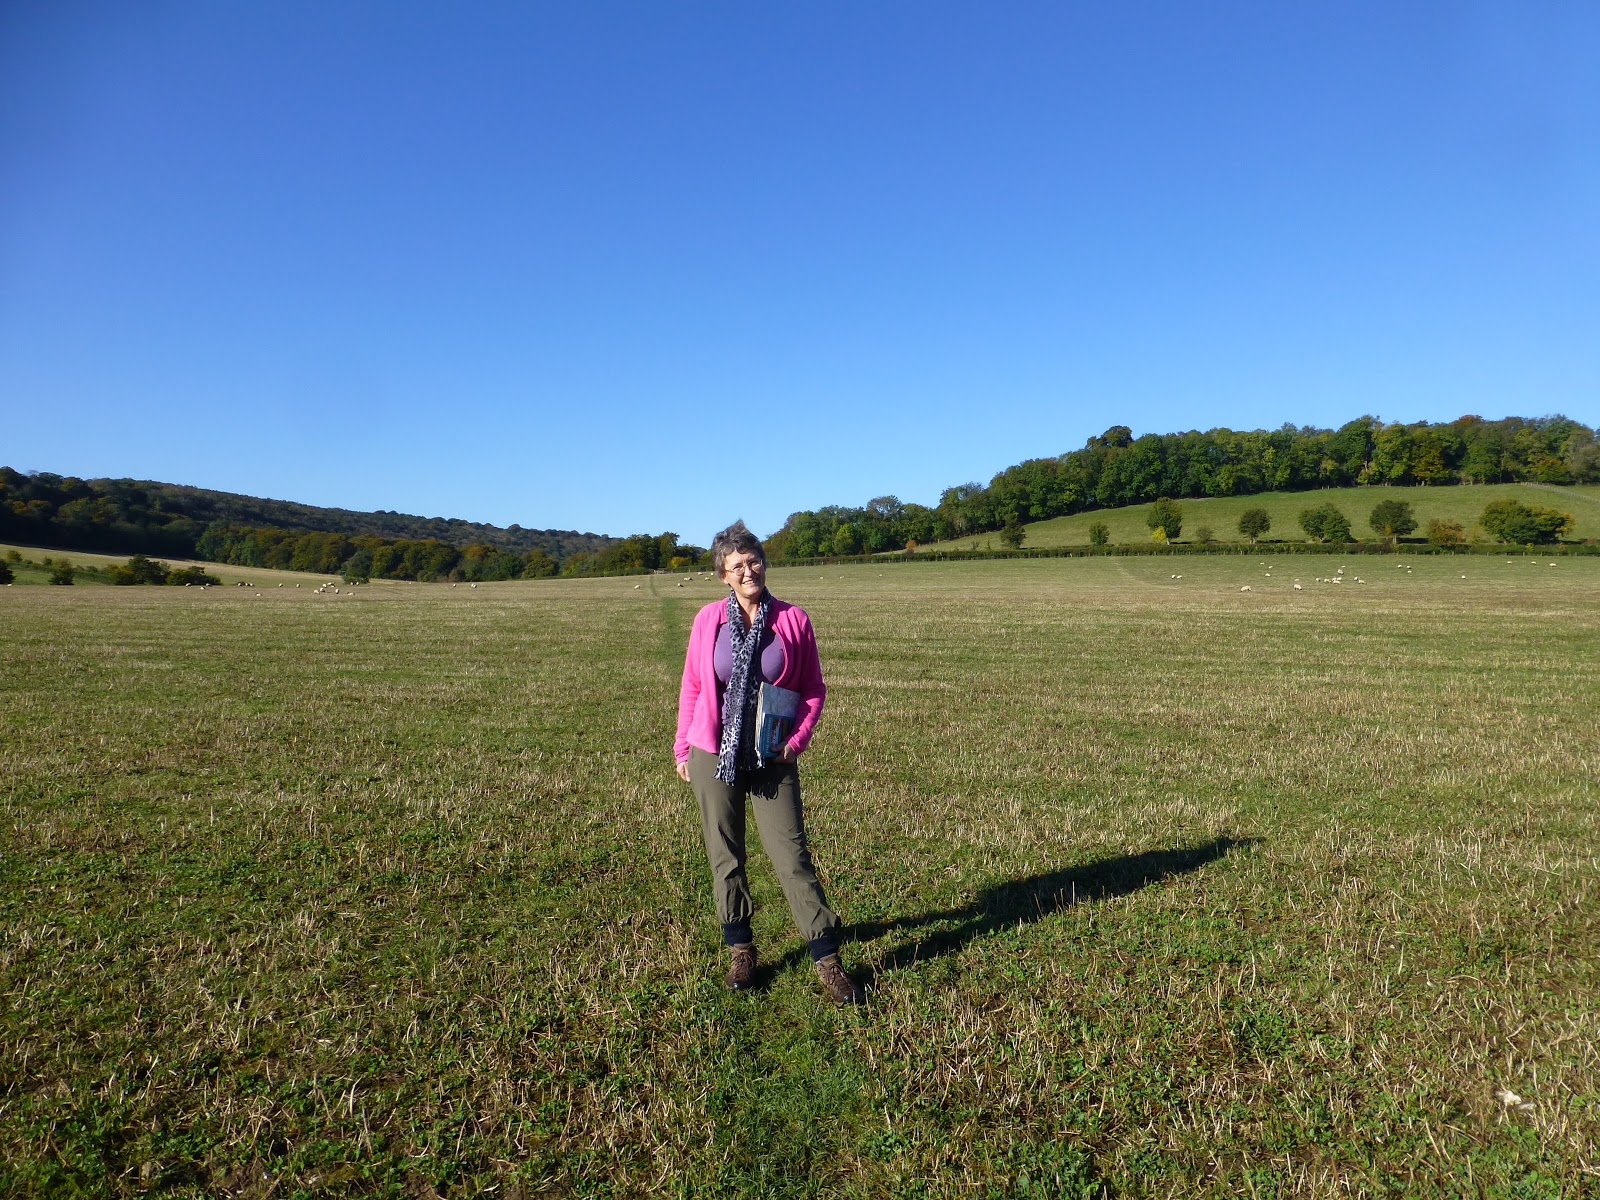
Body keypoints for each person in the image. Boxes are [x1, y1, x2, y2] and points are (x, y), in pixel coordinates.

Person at [674, 520, 862, 1005]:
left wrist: (795, 741)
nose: (747, 569)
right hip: (712, 753)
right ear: (723, 576)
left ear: (764, 562)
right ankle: (741, 949)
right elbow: (693, 688)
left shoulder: (793, 620)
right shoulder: (707, 621)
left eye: (752, 559)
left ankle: (827, 959)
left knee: (792, 857)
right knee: (725, 854)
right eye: (735, 565)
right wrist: (682, 748)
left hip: (772, 754)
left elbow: (812, 689)